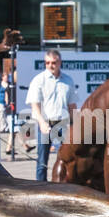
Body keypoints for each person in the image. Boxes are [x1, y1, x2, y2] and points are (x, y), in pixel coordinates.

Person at [27, 49, 75, 180]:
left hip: (62, 124)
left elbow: (72, 106)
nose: (50, 66)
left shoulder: (68, 81)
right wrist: (42, 123)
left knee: (65, 158)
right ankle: (40, 187)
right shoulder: (38, 80)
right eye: (47, 63)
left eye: (53, 62)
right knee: (42, 161)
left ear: (60, 62)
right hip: (45, 123)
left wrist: (74, 125)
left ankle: (64, 185)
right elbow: (34, 105)